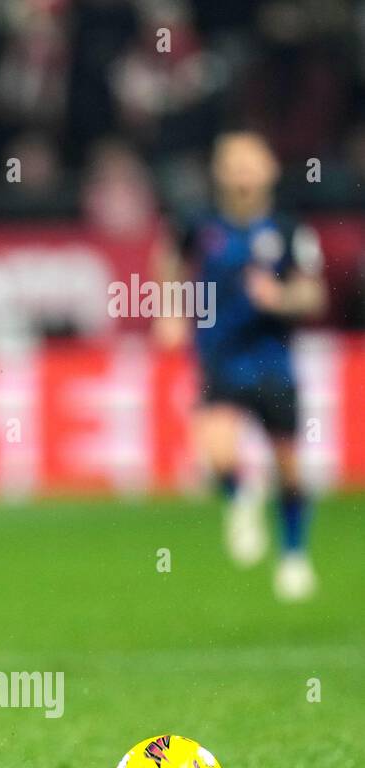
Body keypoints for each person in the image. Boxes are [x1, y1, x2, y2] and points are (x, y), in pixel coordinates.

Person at [155, 131, 326, 601]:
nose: (243, 171)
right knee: (217, 453)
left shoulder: (290, 231)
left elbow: (314, 293)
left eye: (251, 162)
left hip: (274, 362)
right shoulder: (199, 224)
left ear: (270, 169)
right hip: (220, 358)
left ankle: (293, 556)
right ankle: (243, 497)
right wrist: (168, 311)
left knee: (289, 470)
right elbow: (168, 260)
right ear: (219, 172)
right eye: (233, 162)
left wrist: (282, 297)